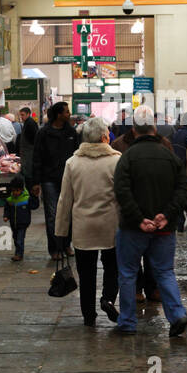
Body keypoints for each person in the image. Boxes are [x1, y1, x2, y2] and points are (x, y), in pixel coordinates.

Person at [113, 106, 187, 336]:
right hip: (163, 229)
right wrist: (167, 214)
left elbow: (121, 191)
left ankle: (127, 322)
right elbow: (184, 188)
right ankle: (177, 315)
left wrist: (139, 219)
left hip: (132, 229)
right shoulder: (169, 155)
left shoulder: (127, 157)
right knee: (165, 272)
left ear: (134, 130)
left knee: (127, 273)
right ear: (154, 129)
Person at [55, 117, 122, 326]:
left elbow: (65, 200)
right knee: (112, 267)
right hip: (110, 225)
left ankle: (88, 315)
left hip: (83, 228)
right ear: (104, 137)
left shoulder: (73, 163)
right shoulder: (116, 161)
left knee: (86, 274)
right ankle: (108, 298)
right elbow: (122, 196)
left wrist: (60, 232)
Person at [30, 101, 80, 261]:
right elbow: (36, 157)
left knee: (69, 213)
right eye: (66, 112)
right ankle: (55, 248)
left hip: (69, 178)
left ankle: (67, 243)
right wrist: (36, 182)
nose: (69, 114)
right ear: (59, 114)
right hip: (49, 179)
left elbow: (77, 155)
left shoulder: (72, 132)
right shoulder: (43, 133)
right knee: (52, 215)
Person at [2, 175, 38, 262]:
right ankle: (18, 252)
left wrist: (35, 197)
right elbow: (7, 209)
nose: (15, 193)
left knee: (19, 239)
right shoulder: (10, 200)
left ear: (21, 190)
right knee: (15, 238)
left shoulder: (27, 199)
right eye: (13, 190)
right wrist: (6, 216)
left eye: (17, 190)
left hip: (23, 223)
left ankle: (19, 254)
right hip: (13, 223)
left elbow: (34, 206)